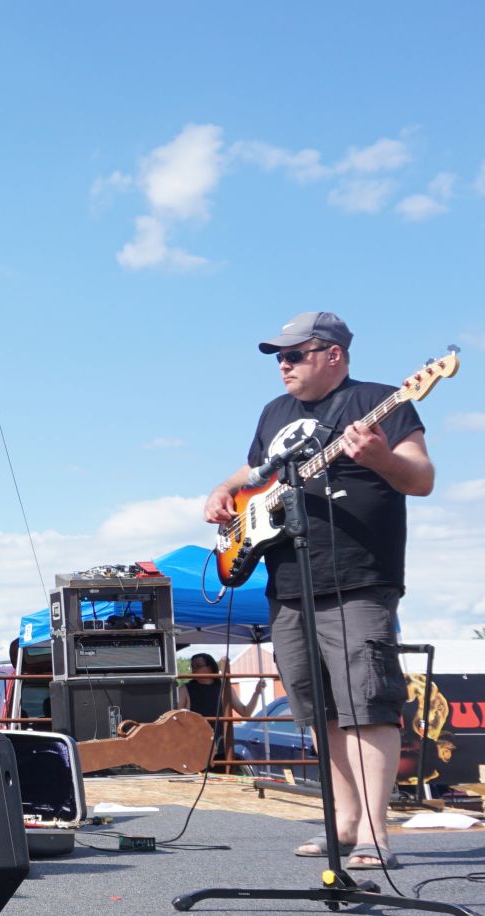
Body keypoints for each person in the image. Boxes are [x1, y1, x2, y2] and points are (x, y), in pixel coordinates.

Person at [202, 311, 432, 870]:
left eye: (293, 355)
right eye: (278, 357)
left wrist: (380, 458)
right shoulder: (274, 412)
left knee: (366, 705)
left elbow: (421, 477)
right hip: (288, 582)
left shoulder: (382, 400)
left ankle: (376, 833)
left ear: (333, 354)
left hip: (357, 577)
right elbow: (253, 473)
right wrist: (221, 492)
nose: (282, 365)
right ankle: (344, 824)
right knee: (320, 711)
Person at [180, 652, 257, 766]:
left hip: (220, 746)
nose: (194, 669)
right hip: (195, 746)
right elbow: (176, 718)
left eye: (198, 666)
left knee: (221, 773)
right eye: (192, 666)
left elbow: (245, 712)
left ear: (210, 668)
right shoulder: (185, 689)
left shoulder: (225, 688)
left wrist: (257, 692)